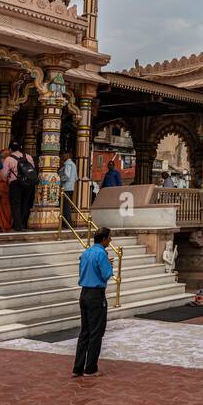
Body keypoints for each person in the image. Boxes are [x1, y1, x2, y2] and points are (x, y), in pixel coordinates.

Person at [73, 226, 114, 377]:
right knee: (96, 332)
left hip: (84, 292)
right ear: (103, 239)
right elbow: (106, 274)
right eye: (109, 238)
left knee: (85, 331)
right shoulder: (101, 254)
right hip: (96, 294)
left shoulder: (86, 253)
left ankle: (78, 367)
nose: (110, 240)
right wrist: (110, 265)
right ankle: (90, 368)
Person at [4, 141, 36, 232]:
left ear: (10, 149)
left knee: (15, 205)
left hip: (15, 184)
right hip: (28, 183)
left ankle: (17, 226)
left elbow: (4, 174)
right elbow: (32, 170)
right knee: (25, 203)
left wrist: (7, 180)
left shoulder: (8, 159)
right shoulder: (28, 157)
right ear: (20, 148)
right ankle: (23, 223)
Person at [59, 151, 78, 225]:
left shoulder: (68, 164)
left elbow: (66, 176)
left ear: (67, 155)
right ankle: (67, 223)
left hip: (65, 187)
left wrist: (59, 179)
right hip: (71, 187)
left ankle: (67, 223)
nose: (62, 156)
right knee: (66, 205)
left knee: (65, 206)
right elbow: (76, 177)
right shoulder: (73, 164)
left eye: (63, 155)